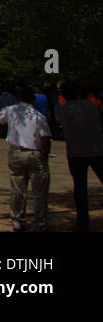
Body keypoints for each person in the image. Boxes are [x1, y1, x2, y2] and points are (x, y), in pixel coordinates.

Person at [0, 86, 52, 232]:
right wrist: (45, 153)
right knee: (39, 191)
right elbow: (45, 137)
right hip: (34, 153)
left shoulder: (11, 110)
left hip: (16, 152)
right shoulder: (38, 116)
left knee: (18, 188)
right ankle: (39, 223)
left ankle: (17, 220)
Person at [58, 81, 103, 232]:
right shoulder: (89, 105)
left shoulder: (62, 109)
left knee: (80, 186)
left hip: (76, 152)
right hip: (96, 148)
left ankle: (83, 220)